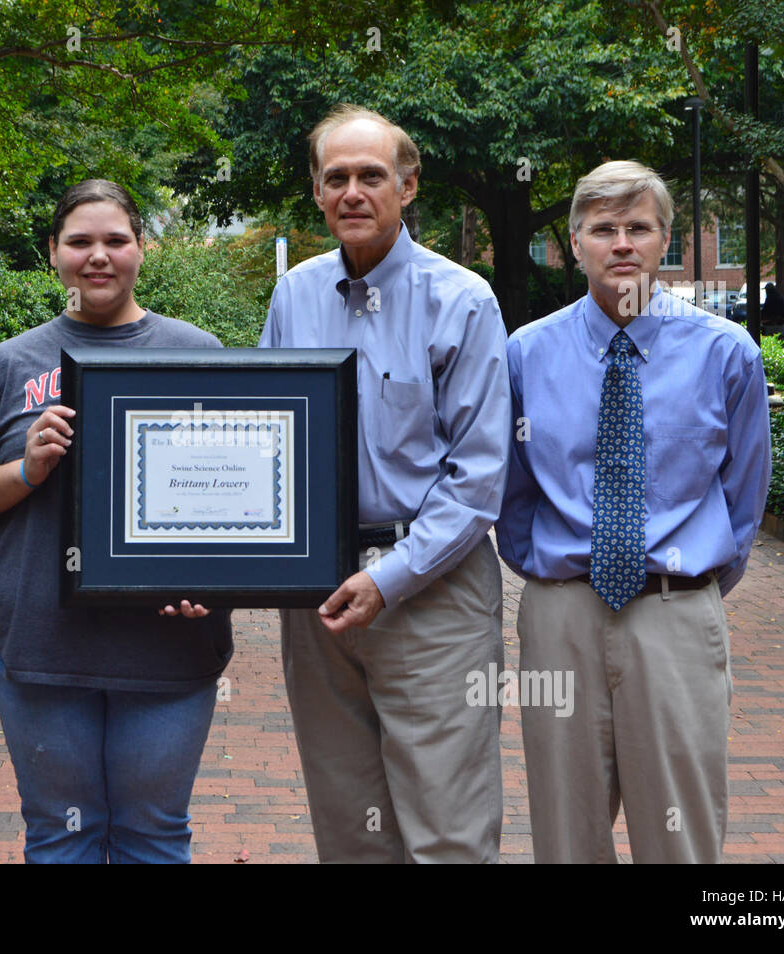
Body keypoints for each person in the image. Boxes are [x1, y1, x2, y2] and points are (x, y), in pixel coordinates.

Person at [0, 179, 233, 864]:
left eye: (115, 240)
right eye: (79, 241)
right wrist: (24, 470)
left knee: (153, 836)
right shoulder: (12, 362)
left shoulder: (197, 352)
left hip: (167, 649)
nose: (97, 256)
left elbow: (232, 497)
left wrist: (212, 580)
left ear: (141, 249)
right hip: (44, 647)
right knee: (60, 837)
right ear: (53, 253)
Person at [496, 160, 771, 863]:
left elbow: (744, 496)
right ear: (573, 242)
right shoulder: (526, 354)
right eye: (603, 228)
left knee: (680, 837)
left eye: (639, 228)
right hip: (561, 615)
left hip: (674, 616)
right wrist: (549, 572)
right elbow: (512, 490)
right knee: (565, 837)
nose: (622, 243)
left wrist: (687, 588)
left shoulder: (724, 352)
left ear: (664, 240)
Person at [258, 105, 511, 863]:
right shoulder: (294, 296)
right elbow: (271, 440)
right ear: (316, 192)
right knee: (349, 826)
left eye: (372, 176)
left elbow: (479, 472)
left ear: (408, 186)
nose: (353, 192)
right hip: (321, 594)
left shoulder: (462, 300)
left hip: (432, 590)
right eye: (336, 178)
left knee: (448, 831)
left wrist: (391, 578)